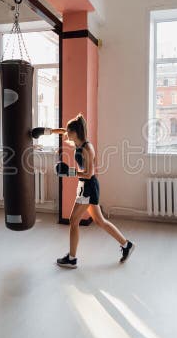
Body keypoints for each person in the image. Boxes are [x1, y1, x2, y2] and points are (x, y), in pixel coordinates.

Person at [45, 114, 134, 269]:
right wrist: (46, 131)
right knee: (100, 221)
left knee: (73, 221)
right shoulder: (78, 143)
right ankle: (126, 245)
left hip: (88, 186)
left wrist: (69, 172)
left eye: (68, 132)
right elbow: (62, 130)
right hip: (85, 186)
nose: (66, 134)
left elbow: (88, 173)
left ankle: (72, 259)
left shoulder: (87, 149)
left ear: (74, 133)